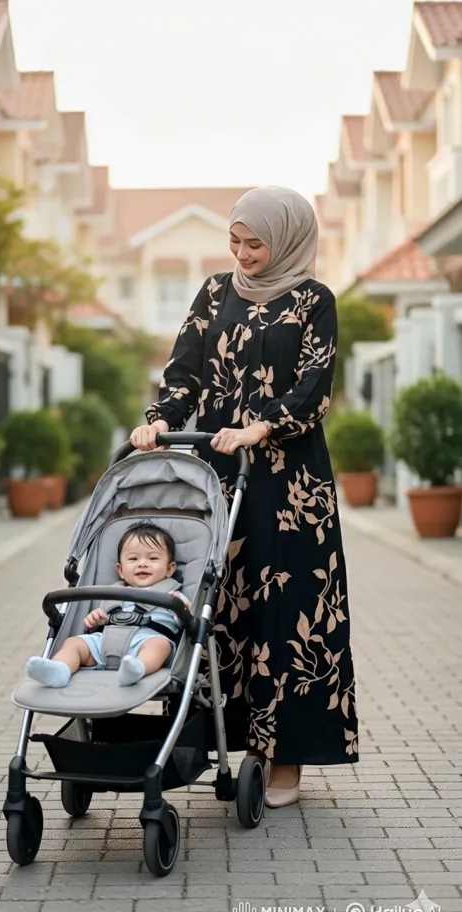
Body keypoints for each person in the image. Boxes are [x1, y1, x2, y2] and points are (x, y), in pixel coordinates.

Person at [131, 186, 359, 808]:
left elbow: (315, 384)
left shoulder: (315, 300)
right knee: (218, 605)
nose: (243, 253)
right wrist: (157, 421)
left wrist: (265, 424)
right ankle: (220, 741)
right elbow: (183, 372)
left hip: (291, 482)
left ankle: (285, 756)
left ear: (285, 239)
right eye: (234, 241)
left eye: (255, 242)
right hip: (219, 469)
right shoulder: (213, 291)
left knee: (289, 613)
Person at [26, 522, 190, 688]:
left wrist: (183, 611)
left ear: (170, 569)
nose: (142, 563)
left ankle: (137, 669)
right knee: (74, 643)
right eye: (133, 559)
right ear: (120, 570)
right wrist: (94, 621)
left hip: (146, 640)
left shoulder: (172, 595)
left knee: (159, 646)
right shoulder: (112, 594)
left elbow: (186, 621)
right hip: (104, 643)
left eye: (153, 558)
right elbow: (100, 620)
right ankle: (59, 670)